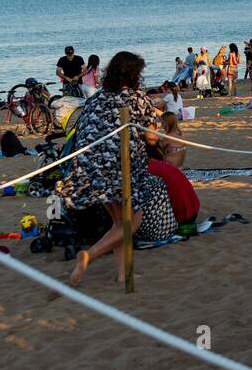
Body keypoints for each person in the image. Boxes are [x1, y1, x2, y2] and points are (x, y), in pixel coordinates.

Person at [60, 52, 176, 287]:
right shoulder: (136, 98)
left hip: (89, 167)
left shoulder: (97, 97)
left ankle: (124, 274)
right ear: (133, 74)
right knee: (132, 222)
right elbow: (152, 139)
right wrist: (156, 125)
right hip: (119, 165)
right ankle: (89, 256)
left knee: (118, 224)